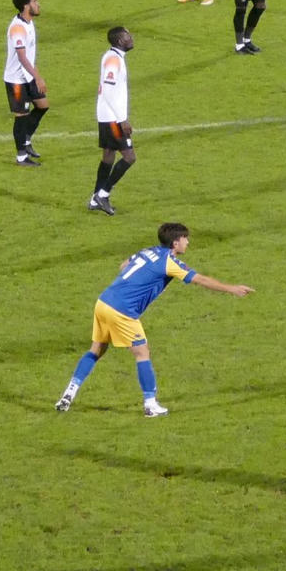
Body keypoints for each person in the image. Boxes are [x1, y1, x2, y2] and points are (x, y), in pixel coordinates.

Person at [55, 222, 253, 417]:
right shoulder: (169, 262)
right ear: (175, 243)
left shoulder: (148, 251)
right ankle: (150, 404)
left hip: (104, 301)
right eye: (185, 238)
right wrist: (231, 289)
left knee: (96, 349)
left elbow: (123, 265)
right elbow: (199, 279)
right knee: (142, 352)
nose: (188, 242)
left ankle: (68, 393)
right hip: (122, 311)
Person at [89, 28, 135, 216]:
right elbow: (108, 91)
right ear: (118, 40)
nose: (131, 38)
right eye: (127, 36)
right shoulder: (113, 60)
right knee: (129, 157)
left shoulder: (114, 57)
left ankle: (95, 198)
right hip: (113, 118)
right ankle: (103, 194)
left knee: (108, 155)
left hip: (107, 115)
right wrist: (122, 119)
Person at [5, 0, 49, 166]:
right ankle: (21, 156)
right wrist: (38, 77)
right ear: (26, 5)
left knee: (42, 105)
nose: (38, 4)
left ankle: (27, 139)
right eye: (34, 1)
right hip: (16, 80)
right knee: (21, 116)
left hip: (28, 76)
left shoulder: (28, 23)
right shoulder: (17, 28)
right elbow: (22, 57)